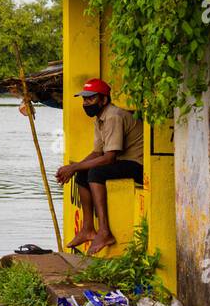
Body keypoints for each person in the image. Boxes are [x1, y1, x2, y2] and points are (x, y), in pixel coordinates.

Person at [54, 78, 144, 255]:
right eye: (84, 99)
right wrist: (74, 168)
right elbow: (97, 152)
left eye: (91, 99)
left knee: (95, 173)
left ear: (103, 99)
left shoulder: (113, 117)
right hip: (123, 161)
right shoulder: (100, 118)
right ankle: (88, 229)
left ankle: (104, 231)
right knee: (82, 173)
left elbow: (109, 158)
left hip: (138, 164)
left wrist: (74, 167)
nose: (86, 103)